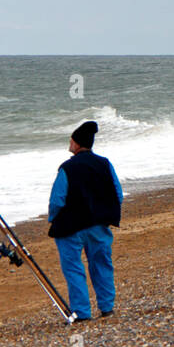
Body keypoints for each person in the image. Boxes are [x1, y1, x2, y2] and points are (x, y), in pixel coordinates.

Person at [49, 121, 123, 323]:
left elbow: (57, 200)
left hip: (70, 228)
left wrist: (52, 218)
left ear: (77, 143)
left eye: (71, 141)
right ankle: (107, 308)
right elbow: (118, 193)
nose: (69, 144)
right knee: (101, 264)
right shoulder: (105, 163)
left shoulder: (67, 168)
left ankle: (82, 313)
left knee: (74, 268)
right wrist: (108, 215)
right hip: (99, 225)